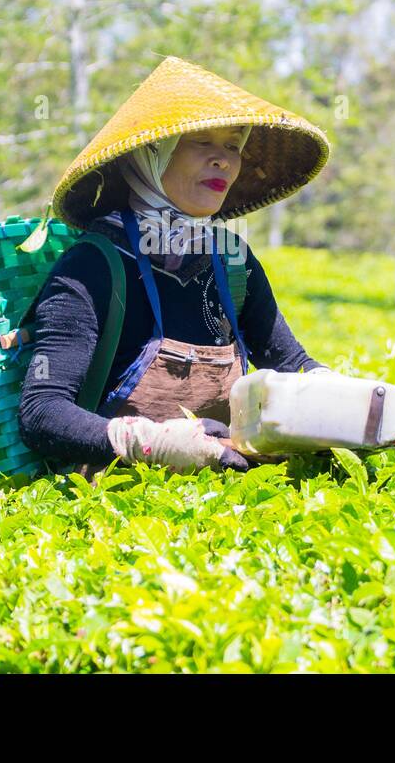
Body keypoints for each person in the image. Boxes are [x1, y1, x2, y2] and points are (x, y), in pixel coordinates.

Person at [18, 55, 333, 477]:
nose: (223, 160)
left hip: (225, 500)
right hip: (116, 508)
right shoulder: (93, 267)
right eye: (202, 141)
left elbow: (292, 367)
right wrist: (151, 444)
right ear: (152, 152)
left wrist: (356, 404)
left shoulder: (233, 262)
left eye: (233, 145)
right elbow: (43, 413)